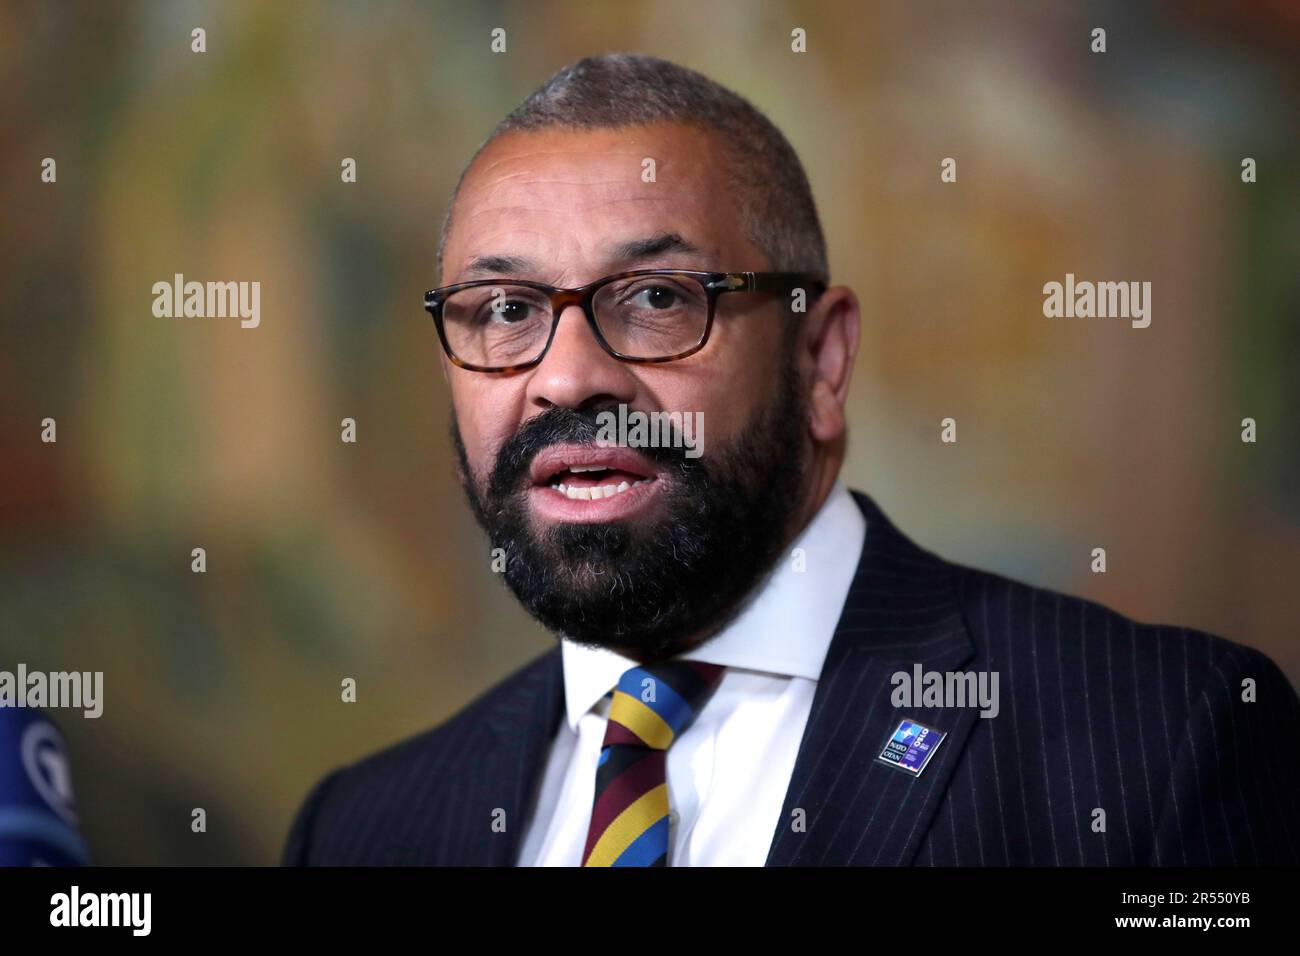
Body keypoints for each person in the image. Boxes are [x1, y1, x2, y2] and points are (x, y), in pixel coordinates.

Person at [282, 53, 1299, 867]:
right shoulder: (363, 827)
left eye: (656, 299)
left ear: (821, 358)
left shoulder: (1158, 741)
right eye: (505, 311)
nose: (567, 377)